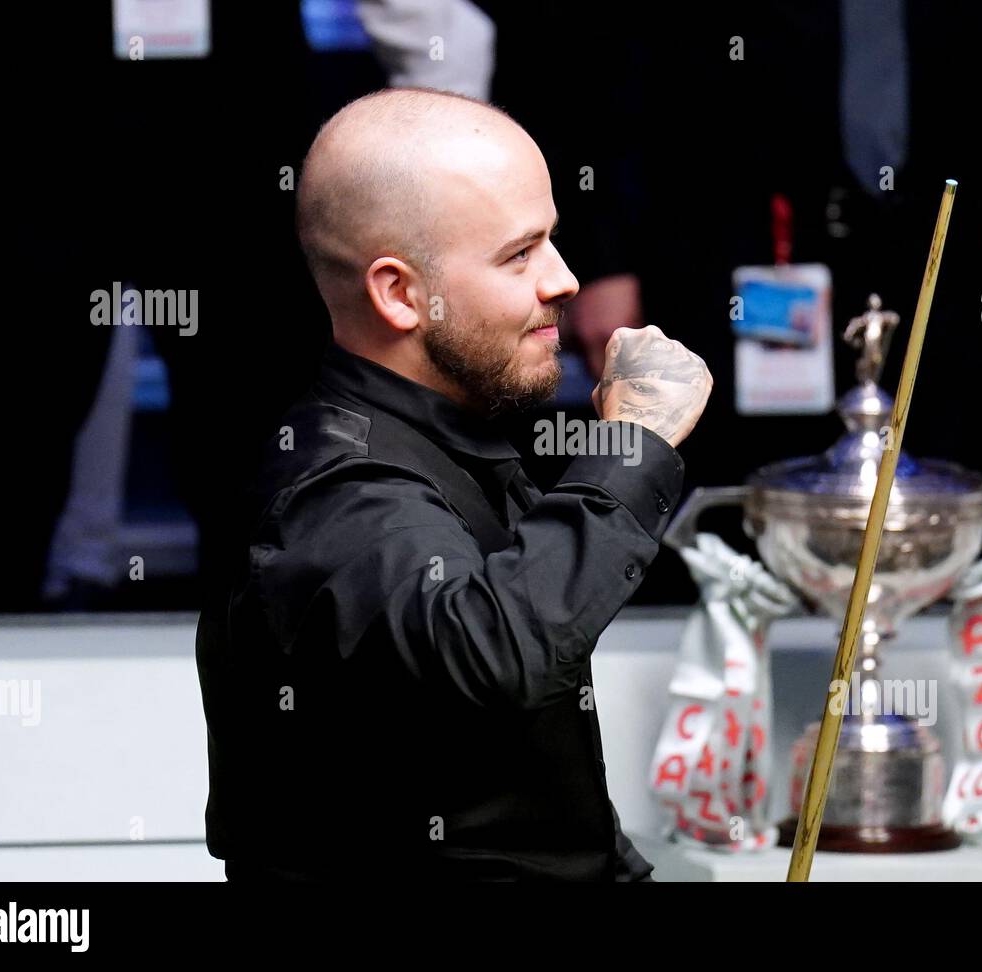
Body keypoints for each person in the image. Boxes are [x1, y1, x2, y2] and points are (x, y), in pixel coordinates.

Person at [195, 87, 713, 882]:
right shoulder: (333, 487)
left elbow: (539, 816)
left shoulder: (460, 438)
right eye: (520, 254)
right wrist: (632, 443)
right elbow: (490, 652)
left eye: (554, 242)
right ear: (400, 293)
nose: (565, 280)